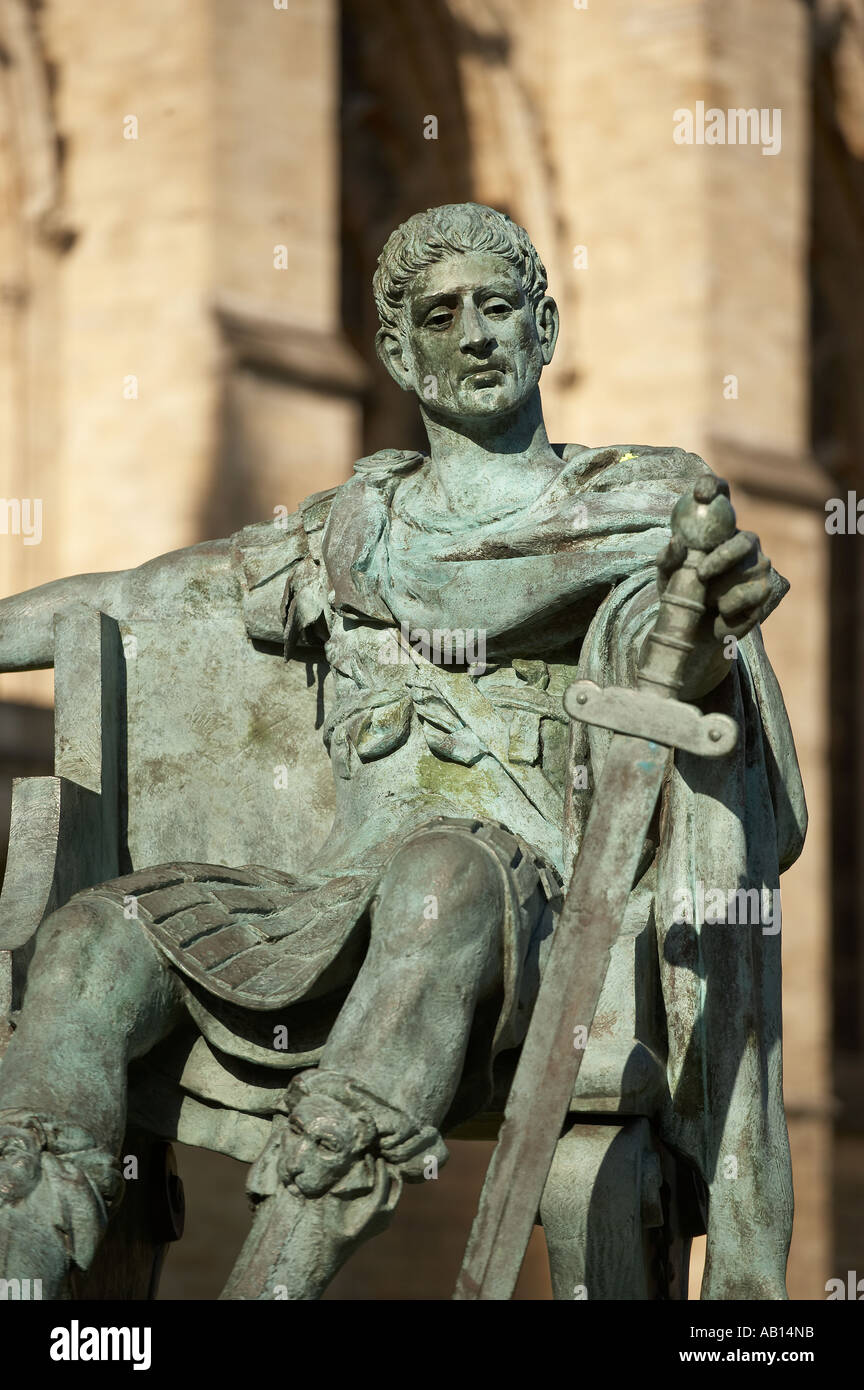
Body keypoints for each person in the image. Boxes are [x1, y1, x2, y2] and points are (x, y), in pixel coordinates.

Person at [0, 203, 805, 1299]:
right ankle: (26, 1284)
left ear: (546, 329)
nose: (475, 334)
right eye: (441, 314)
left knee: (441, 877)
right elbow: (139, 601)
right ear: (397, 352)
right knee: (93, 937)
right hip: (333, 901)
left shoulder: (642, 509)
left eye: (499, 307)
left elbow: (692, 682)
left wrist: (710, 631)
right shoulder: (348, 532)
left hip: (533, 917)